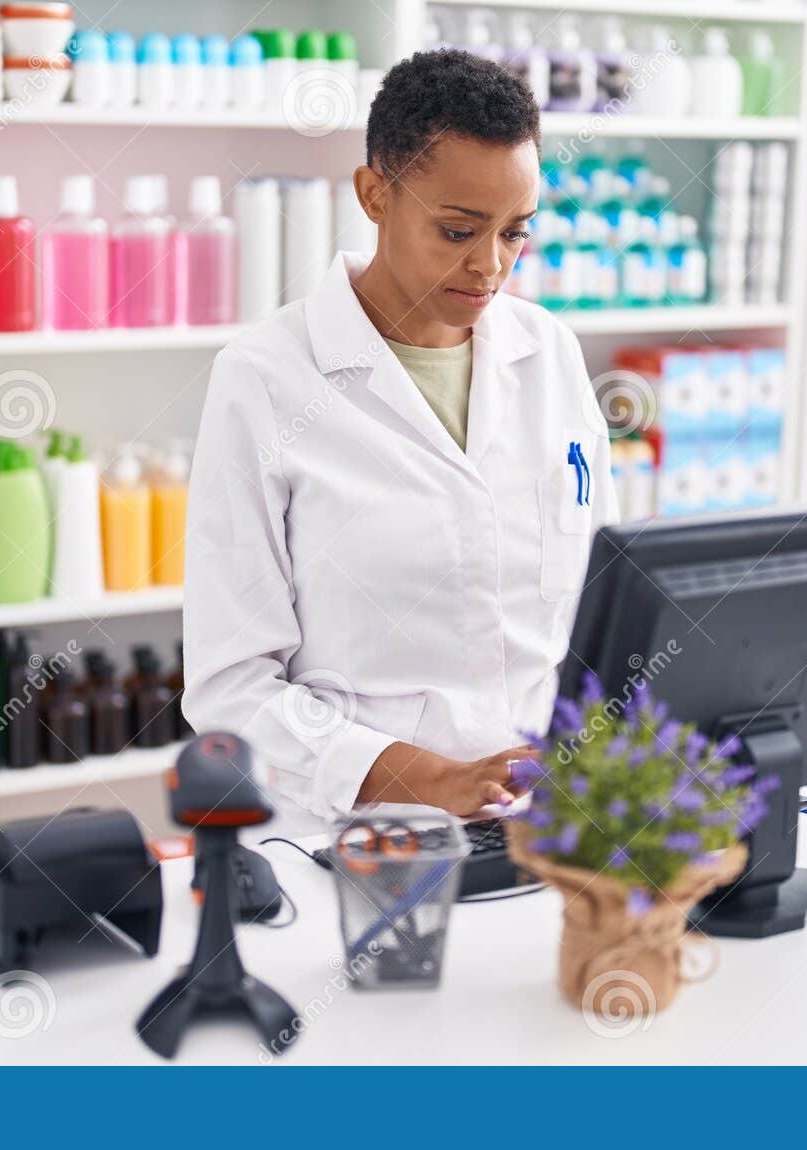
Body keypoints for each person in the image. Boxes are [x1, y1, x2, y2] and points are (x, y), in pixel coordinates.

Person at [183, 50, 617, 819]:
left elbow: (606, 605)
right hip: (363, 836)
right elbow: (231, 688)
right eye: (457, 230)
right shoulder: (265, 378)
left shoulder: (547, 352)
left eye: (516, 233)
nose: (490, 266)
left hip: (543, 821)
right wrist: (421, 776)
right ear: (375, 194)